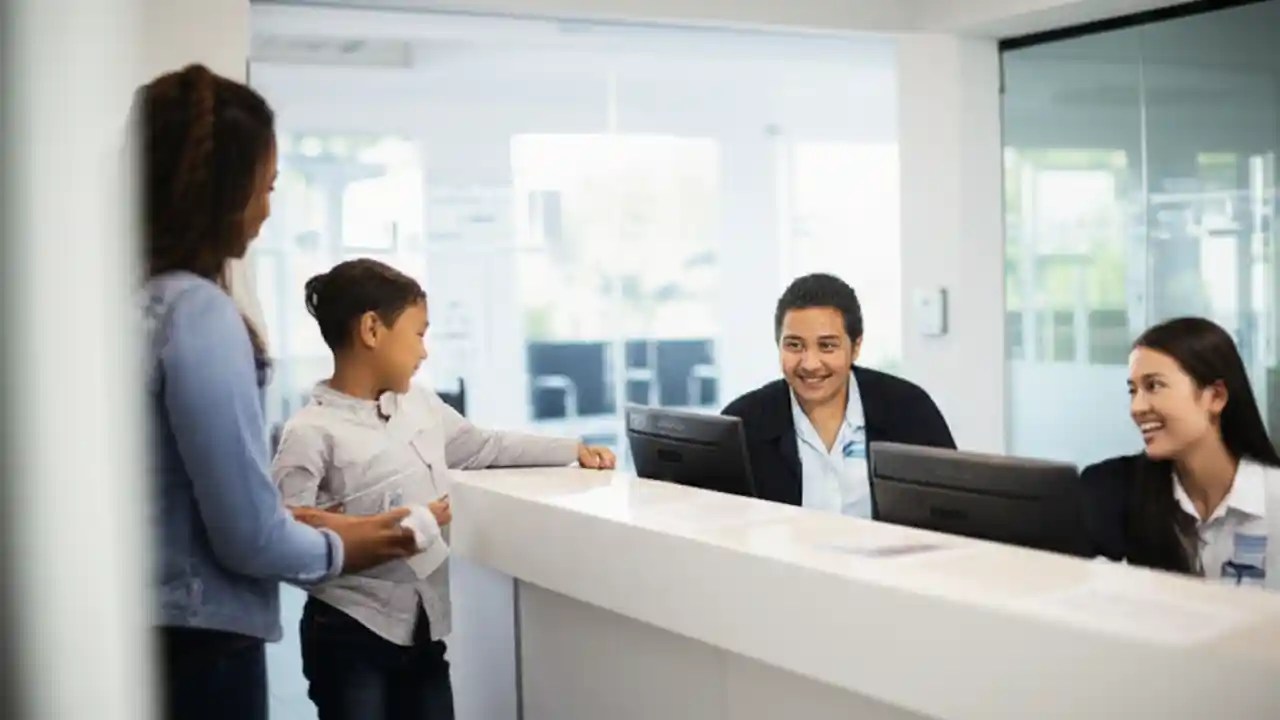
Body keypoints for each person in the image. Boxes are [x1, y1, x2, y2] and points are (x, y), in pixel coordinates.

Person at [139, 65, 419, 720]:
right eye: (266, 184)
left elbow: (176, 496)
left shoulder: (135, 303)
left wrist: (302, 522)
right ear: (226, 187)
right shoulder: (197, 312)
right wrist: (352, 545)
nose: (268, 206)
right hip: (202, 647)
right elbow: (245, 537)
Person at [272, 258, 617, 720]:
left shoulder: (421, 405)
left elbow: (483, 447)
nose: (425, 351)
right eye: (418, 334)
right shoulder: (310, 431)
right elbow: (286, 541)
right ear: (372, 330)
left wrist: (572, 448)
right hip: (348, 634)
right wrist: (372, 533)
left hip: (423, 630)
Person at [722, 273, 954, 516]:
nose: (810, 363)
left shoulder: (909, 409)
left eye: (827, 346)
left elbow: (951, 510)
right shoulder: (743, 423)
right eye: (794, 345)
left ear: (855, 348)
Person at [1080, 317, 1279, 587]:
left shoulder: (1272, 498)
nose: (1137, 408)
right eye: (1133, 390)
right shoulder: (1111, 489)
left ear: (1215, 397)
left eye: (1154, 386)